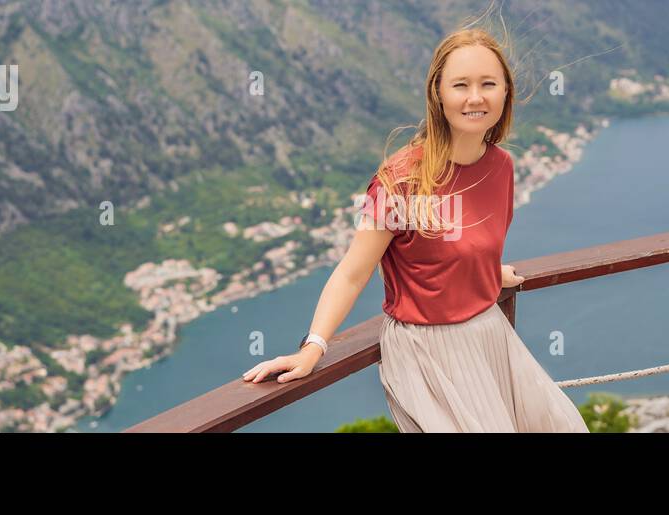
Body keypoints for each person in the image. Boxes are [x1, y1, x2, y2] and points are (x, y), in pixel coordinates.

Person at [241, 27, 588, 433]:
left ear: (506, 92)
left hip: (490, 334)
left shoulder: (501, 167)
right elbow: (353, 272)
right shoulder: (400, 180)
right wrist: (312, 347)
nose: (476, 97)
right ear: (438, 94)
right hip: (427, 350)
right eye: (461, 85)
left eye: (488, 84)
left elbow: (459, 249)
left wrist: (488, 273)